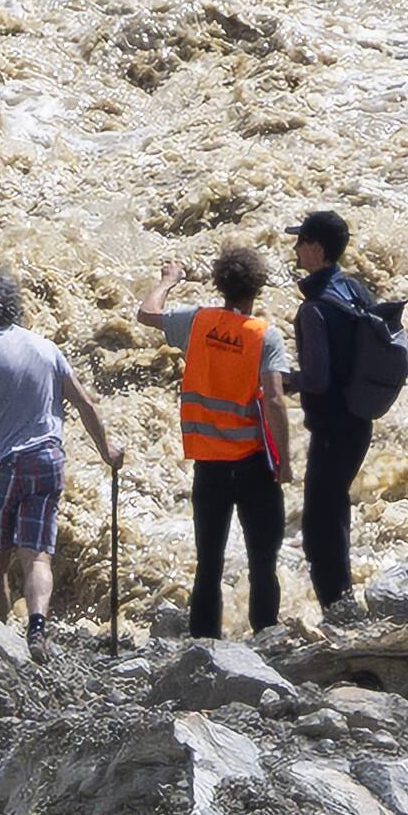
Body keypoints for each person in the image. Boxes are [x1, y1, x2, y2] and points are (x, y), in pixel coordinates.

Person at [0, 272, 123, 661]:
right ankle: (38, 626)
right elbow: (85, 404)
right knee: (37, 555)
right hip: (47, 460)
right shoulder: (46, 347)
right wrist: (107, 449)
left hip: (0, 465)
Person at [137, 248, 295, 637]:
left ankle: (203, 645)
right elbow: (274, 400)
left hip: (209, 464)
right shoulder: (265, 336)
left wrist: (169, 280)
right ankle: (266, 638)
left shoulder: (199, 321)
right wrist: (286, 461)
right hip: (255, 463)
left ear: (220, 284)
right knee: (263, 559)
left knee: (209, 562)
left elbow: (146, 313)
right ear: (257, 288)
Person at [285, 210, 375, 612]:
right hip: (359, 421)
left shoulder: (315, 308)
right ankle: (345, 603)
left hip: (332, 428)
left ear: (317, 248)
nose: (296, 248)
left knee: (319, 527)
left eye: (301, 241)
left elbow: (317, 379)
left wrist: (282, 379)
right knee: (335, 512)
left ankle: (339, 613)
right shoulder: (356, 290)